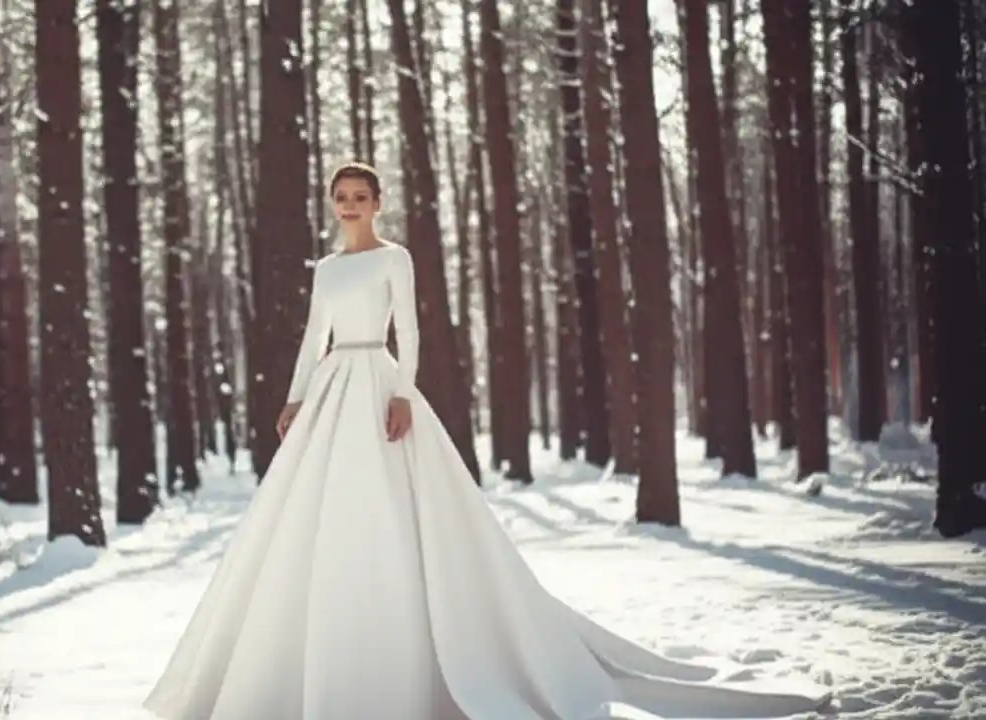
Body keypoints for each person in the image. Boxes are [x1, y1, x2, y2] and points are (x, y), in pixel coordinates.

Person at [143, 162, 829, 720]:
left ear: (378, 203)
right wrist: (295, 397)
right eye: (341, 198)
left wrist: (403, 395)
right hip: (329, 390)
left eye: (361, 197)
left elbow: (407, 333)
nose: (350, 206)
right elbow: (309, 339)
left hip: (379, 383)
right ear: (332, 205)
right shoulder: (325, 270)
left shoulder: (393, 258)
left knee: (399, 513)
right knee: (313, 520)